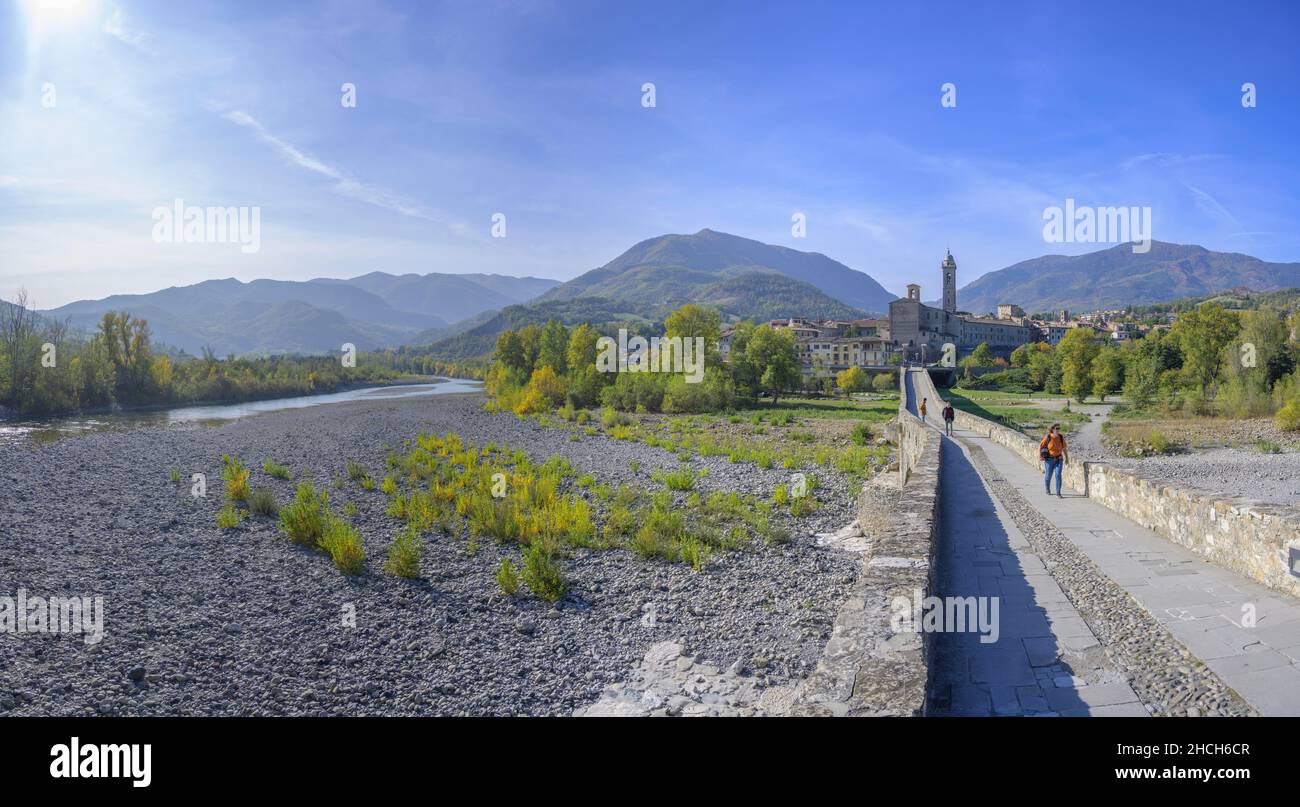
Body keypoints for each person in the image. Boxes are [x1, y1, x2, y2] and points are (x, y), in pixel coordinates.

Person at [1039, 423, 1069, 497]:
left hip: (1059, 459)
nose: (1058, 430)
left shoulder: (1061, 438)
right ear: (1052, 429)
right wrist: (1040, 456)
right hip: (1049, 460)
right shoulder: (1048, 437)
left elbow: (1064, 449)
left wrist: (1067, 458)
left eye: (1059, 428)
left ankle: (1058, 493)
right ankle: (1047, 489)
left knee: (1058, 475)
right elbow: (1040, 447)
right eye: (1057, 428)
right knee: (1048, 476)